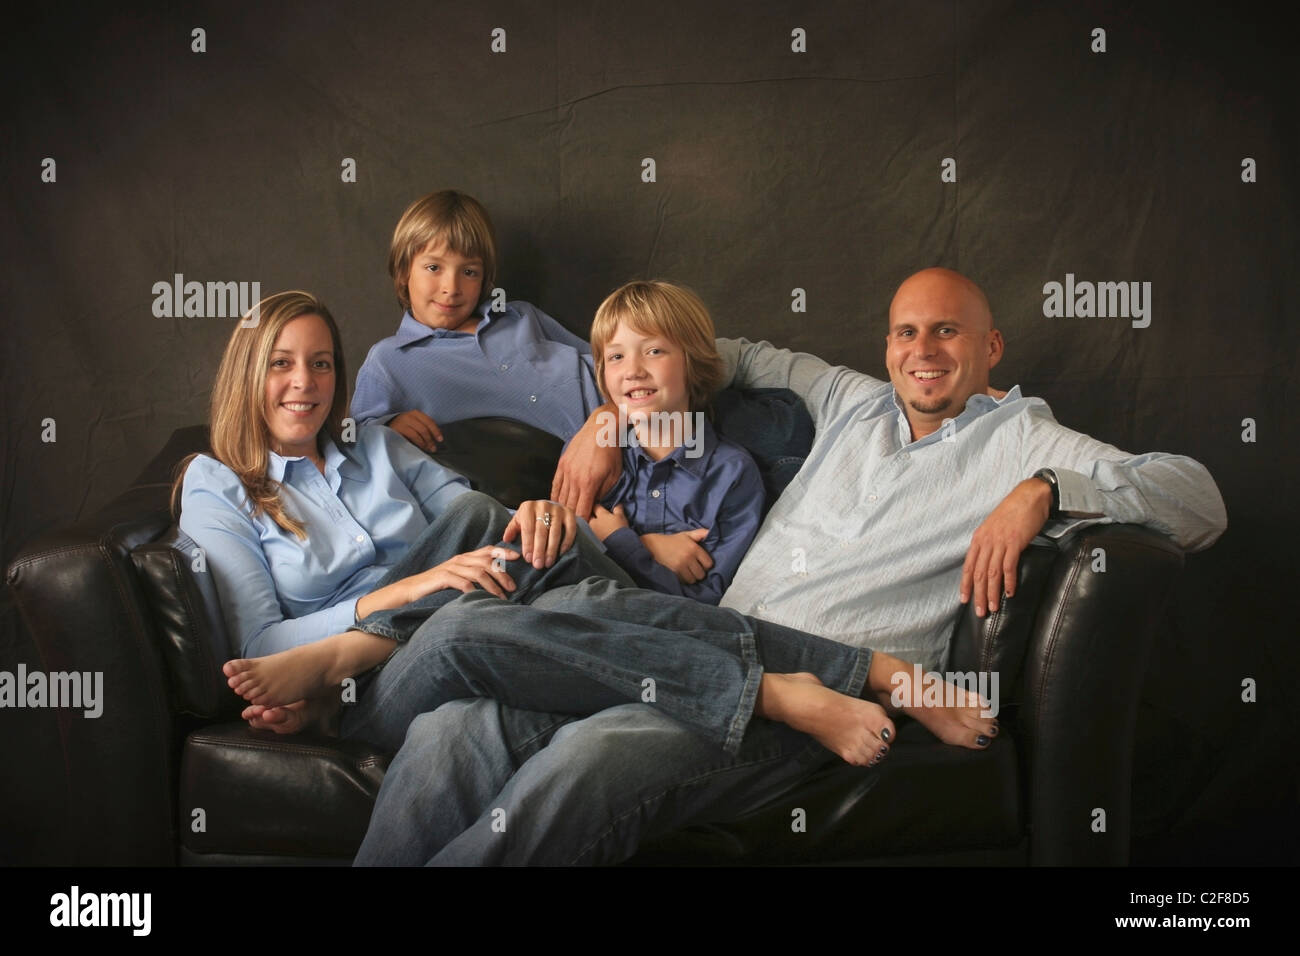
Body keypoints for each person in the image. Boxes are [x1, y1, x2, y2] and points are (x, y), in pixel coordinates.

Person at [352, 267, 1227, 865]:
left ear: (991, 347)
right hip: (707, 636)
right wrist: (606, 420)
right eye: (906, 332)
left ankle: (359, 654)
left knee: (594, 758)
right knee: (453, 727)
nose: (923, 350)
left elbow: (1197, 500)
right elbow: (701, 347)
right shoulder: (850, 399)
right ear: (886, 345)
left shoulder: (1026, 435)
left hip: (805, 701)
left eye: (947, 332)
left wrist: (1042, 488)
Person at [177, 290, 913, 764]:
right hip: (346, 686)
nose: (305, 383)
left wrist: (538, 509)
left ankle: (855, 672)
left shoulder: (377, 445)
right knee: (468, 617)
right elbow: (257, 648)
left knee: (483, 523)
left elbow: (482, 526)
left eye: (321, 364)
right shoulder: (218, 484)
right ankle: (797, 685)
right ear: (247, 373)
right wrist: (402, 597)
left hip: (474, 619)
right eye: (281, 365)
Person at [349, 189, 603, 451]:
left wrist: (606, 423)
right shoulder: (388, 361)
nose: (451, 287)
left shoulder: (520, 316)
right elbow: (356, 442)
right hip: (551, 474)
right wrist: (388, 427)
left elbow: (611, 368)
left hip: (625, 424)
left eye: (469, 272)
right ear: (403, 272)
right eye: (434, 267)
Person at [584, 280, 764, 604]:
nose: (633, 371)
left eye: (654, 351)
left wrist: (618, 541)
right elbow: (565, 555)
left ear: (693, 361)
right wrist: (644, 546)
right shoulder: (597, 457)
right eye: (616, 356)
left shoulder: (732, 474)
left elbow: (705, 604)